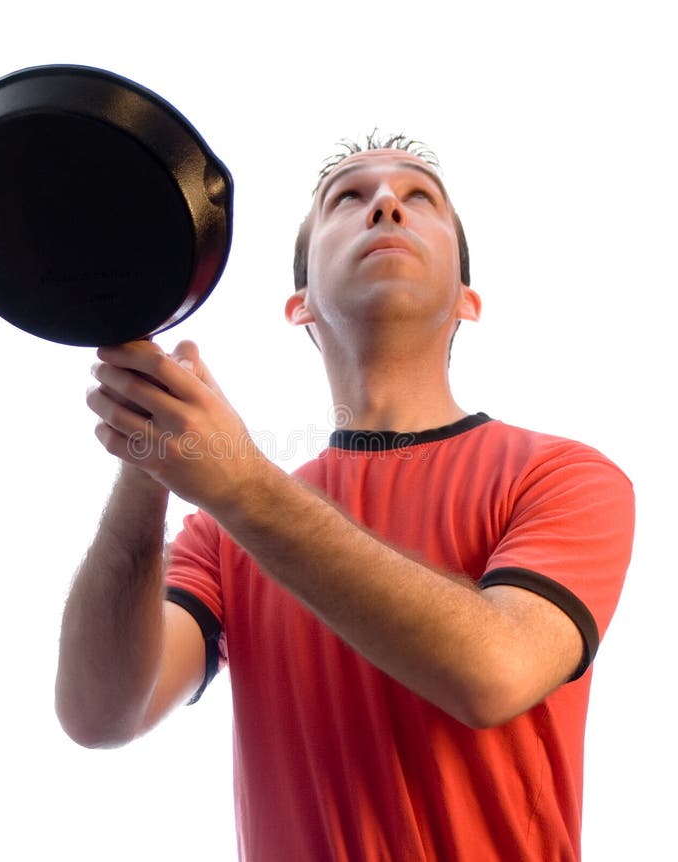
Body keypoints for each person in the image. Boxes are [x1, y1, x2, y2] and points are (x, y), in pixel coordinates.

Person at [55, 132, 635, 861]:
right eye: (348, 198)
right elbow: (100, 712)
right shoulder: (219, 539)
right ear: (300, 305)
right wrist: (146, 468)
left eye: (419, 196)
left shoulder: (563, 476)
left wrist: (243, 488)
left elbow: (496, 671)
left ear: (468, 301)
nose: (387, 203)